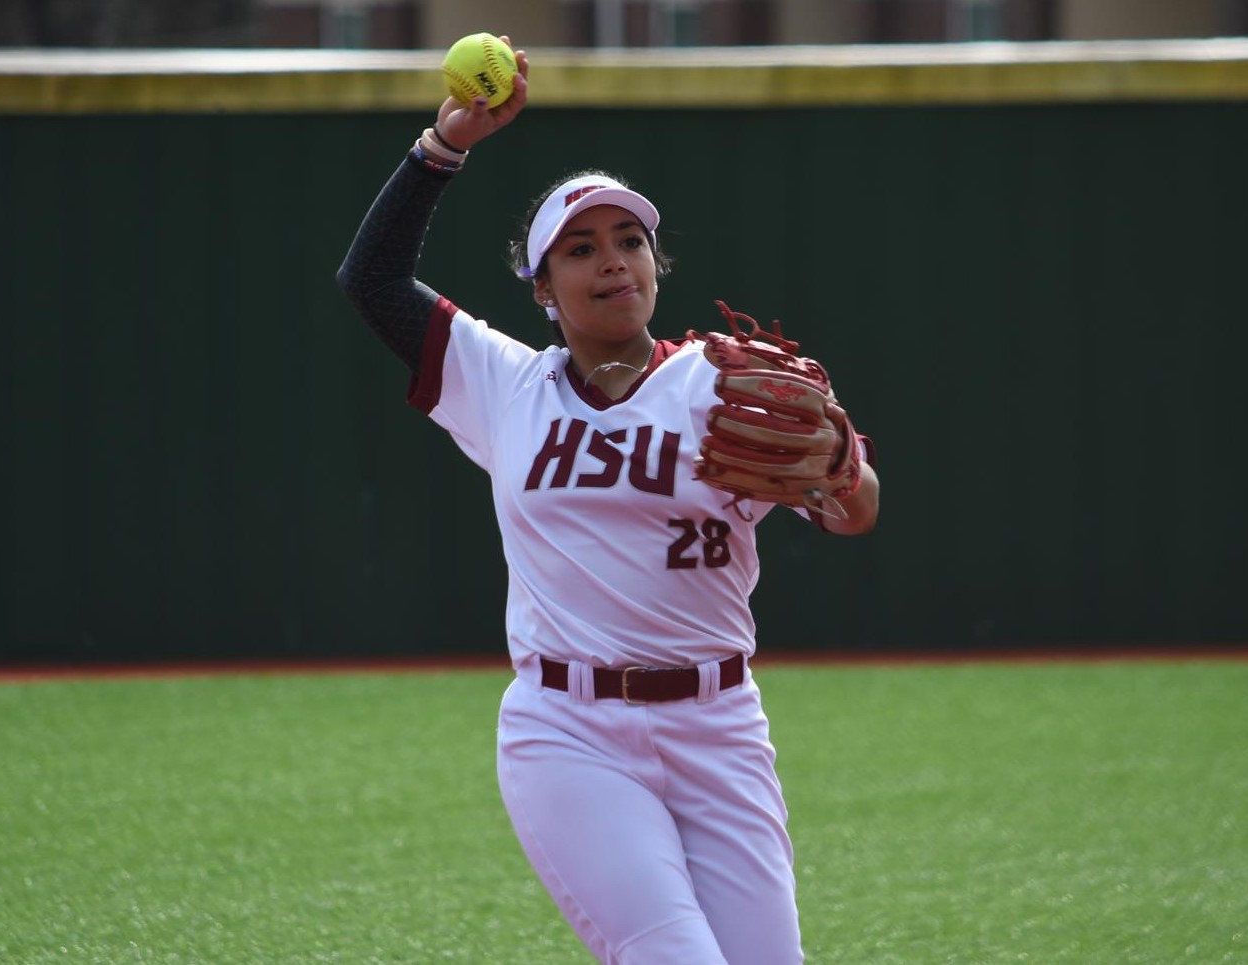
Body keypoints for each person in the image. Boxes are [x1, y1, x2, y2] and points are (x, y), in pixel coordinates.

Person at [335, 37, 880, 965]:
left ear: (656, 264)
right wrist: (443, 146)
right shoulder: (503, 383)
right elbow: (374, 281)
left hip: (718, 723)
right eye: (579, 249)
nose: (613, 261)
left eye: (630, 241)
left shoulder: (723, 381)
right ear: (543, 290)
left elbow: (855, 512)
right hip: (570, 728)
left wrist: (836, 465)